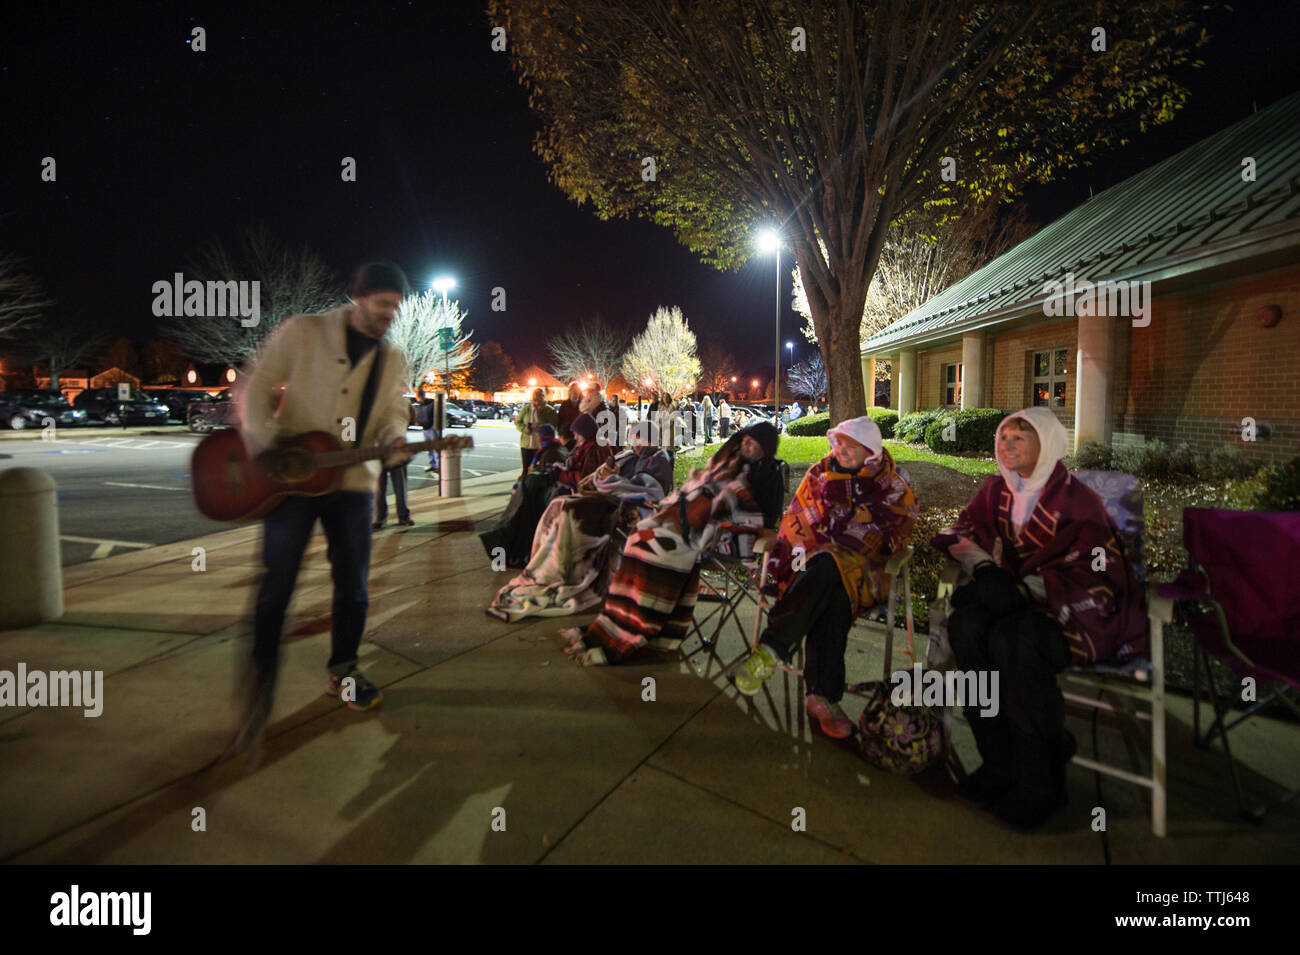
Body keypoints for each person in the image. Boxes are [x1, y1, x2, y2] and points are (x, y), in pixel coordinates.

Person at [226, 261, 415, 757]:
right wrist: (268, 449)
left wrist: (395, 438)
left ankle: (344, 673)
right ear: (359, 298)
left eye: (396, 306)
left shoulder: (392, 359)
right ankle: (259, 688)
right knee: (277, 584)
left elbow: (395, 408)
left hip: (352, 482)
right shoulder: (304, 332)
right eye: (382, 304)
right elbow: (257, 384)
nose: (389, 315)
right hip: (290, 478)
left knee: (352, 585)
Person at [928, 407, 1145, 827]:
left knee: (1014, 640)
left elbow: (1096, 567)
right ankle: (999, 760)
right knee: (966, 627)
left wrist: (1028, 589)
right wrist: (988, 571)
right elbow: (962, 533)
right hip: (1008, 601)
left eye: (1019, 437)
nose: (1007, 445)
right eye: (1003, 438)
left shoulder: (1078, 499)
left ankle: (1042, 780)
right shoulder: (995, 490)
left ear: (1046, 443)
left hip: (1068, 613)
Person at [731, 417, 919, 740]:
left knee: (829, 570)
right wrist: (819, 547)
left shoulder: (893, 480)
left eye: (850, 445)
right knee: (829, 584)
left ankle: (773, 647)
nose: (841, 450)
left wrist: (846, 533)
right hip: (816, 561)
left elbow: (897, 528)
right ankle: (822, 699)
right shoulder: (820, 472)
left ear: (870, 450)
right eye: (838, 442)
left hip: (870, 566)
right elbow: (798, 517)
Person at [560, 422, 784, 666]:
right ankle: (615, 622)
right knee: (639, 535)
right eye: (746, 440)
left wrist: (715, 517)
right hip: (696, 528)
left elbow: (760, 516)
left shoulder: (768, 473)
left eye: (754, 444)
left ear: (766, 450)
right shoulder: (731, 465)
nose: (746, 446)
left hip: (724, 537)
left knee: (656, 548)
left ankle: (640, 629)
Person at [375, 400, 417, 528]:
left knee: (380, 488)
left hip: (379, 449)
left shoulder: (375, 401)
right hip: (393, 448)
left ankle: (381, 517)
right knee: (399, 486)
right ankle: (402, 515)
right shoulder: (404, 402)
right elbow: (412, 419)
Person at [556, 412, 615, 492]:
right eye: (574, 434)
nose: (575, 438)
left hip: (588, 493)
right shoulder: (588, 445)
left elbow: (584, 477)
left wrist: (561, 475)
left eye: (578, 434)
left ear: (586, 433)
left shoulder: (594, 449)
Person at [514, 387, 559, 479]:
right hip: (527, 444)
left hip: (541, 445)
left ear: (544, 397)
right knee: (526, 470)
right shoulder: (526, 409)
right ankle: (524, 487)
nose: (538, 398)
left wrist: (538, 414)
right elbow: (518, 422)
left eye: (540, 395)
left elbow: (553, 425)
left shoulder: (549, 410)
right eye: (535, 396)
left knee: (539, 469)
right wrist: (524, 429)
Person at [415, 385, 439, 472]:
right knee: (431, 448)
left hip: (430, 428)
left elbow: (433, 415)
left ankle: (436, 464)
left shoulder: (427, 404)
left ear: (419, 396)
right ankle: (434, 464)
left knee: (434, 447)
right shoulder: (423, 404)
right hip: (427, 427)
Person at [557, 381, 584, 448]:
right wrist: (560, 433)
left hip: (579, 435)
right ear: (570, 391)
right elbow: (560, 420)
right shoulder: (564, 405)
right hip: (566, 435)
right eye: (573, 390)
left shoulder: (583, 404)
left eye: (577, 390)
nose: (574, 392)